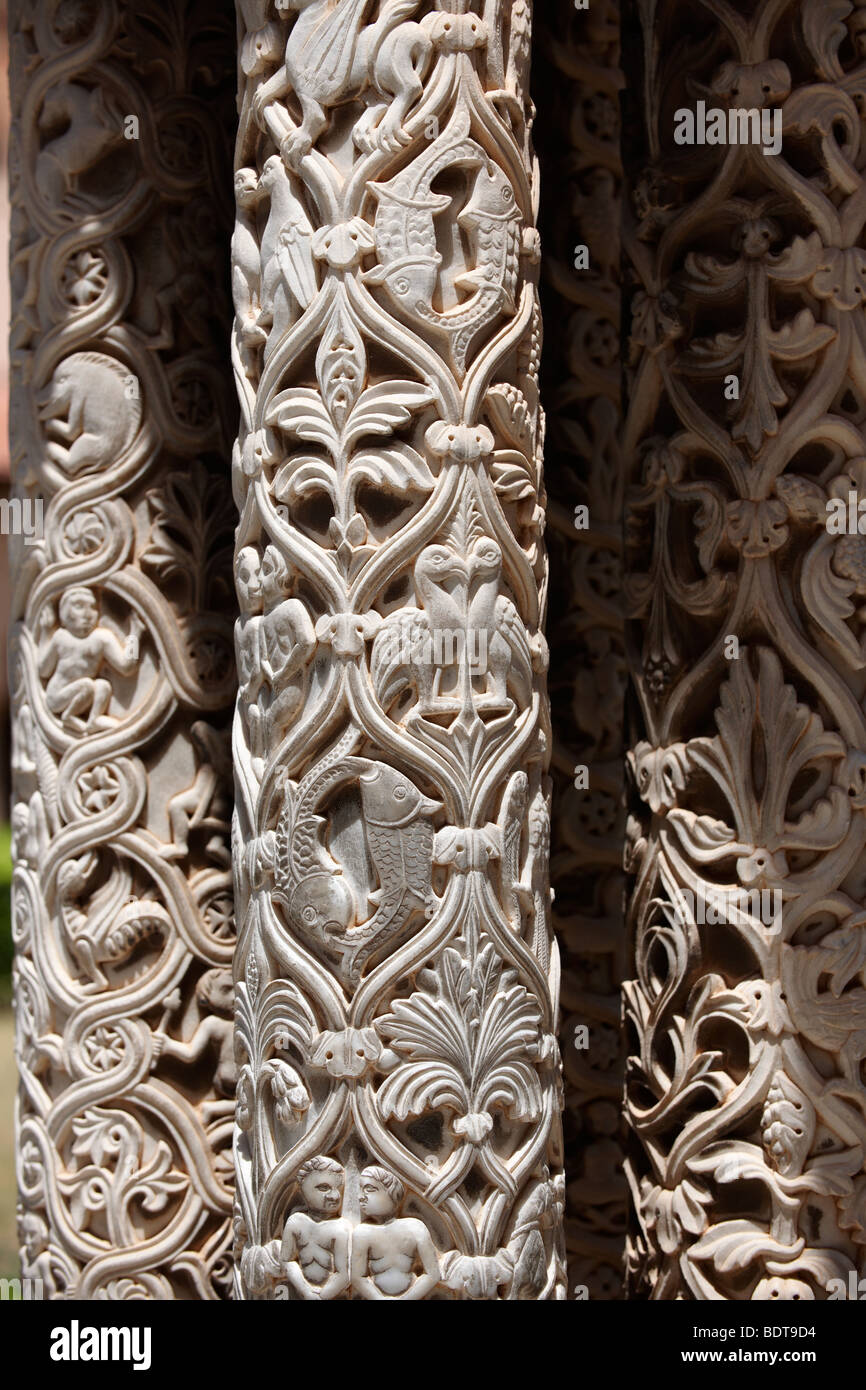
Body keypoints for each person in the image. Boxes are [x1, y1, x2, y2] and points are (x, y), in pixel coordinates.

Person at [38, 587, 140, 729]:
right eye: (79, 606)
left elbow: (127, 667)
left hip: (85, 693)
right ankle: (68, 716)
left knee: (103, 686)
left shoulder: (102, 638)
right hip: (57, 697)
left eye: (92, 607)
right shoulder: (61, 637)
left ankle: (94, 719)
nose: (88, 614)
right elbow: (43, 670)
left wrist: (135, 635)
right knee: (87, 684)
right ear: (64, 613)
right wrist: (45, 631)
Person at [350, 1165, 439, 1300]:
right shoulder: (363, 1233)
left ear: (392, 1193)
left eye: (369, 1189)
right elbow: (358, 1277)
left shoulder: (415, 1228)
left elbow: (432, 1274)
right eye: (360, 1190)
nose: (360, 1197)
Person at [278, 1155, 351, 1300]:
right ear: (302, 1189)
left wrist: (323, 1295)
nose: (335, 1196)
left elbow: (344, 1274)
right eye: (324, 1188)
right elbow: (287, 1260)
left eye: (338, 1188)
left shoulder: (339, 1228)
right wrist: (305, 1290)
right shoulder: (296, 1222)